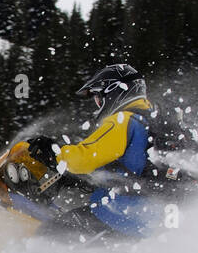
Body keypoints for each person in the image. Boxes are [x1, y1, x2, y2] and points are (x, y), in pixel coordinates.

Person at [20, 64, 176, 235]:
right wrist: (82, 179)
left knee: (48, 235)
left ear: (114, 91)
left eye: (98, 97)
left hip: (116, 215)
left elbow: (85, 158)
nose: (98, 103)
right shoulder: (151, 120)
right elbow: (133, 170)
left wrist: (53, 152)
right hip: (146, 222)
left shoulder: (124, 119)